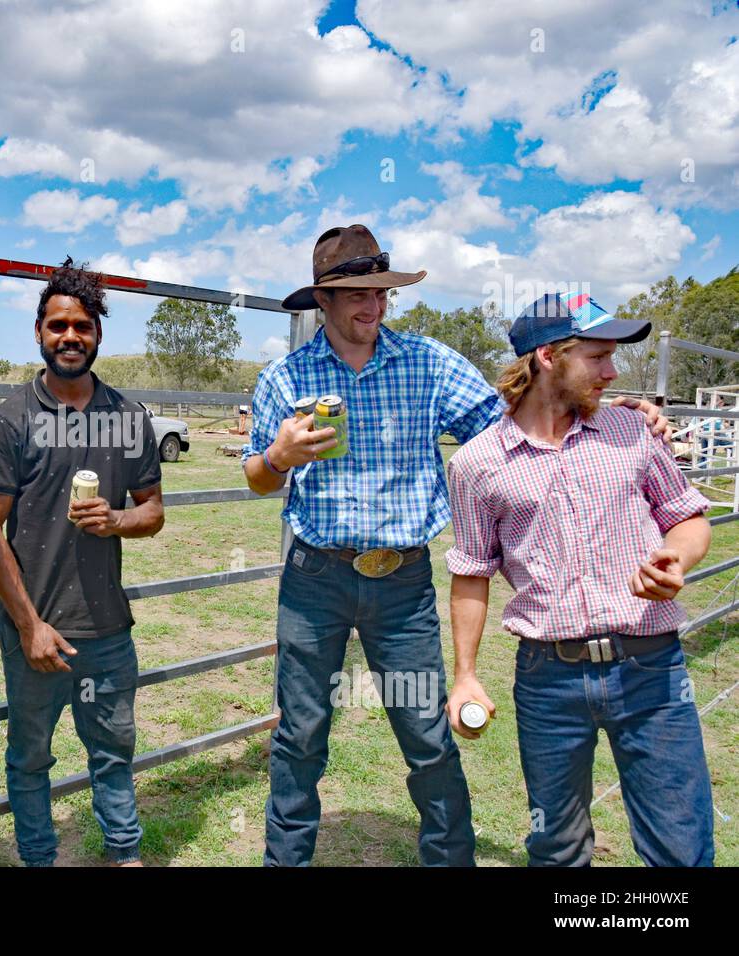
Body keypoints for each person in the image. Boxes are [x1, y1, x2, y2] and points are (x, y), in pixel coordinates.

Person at [243, 224, 670, 866]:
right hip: (314, 581)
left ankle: (450, 858)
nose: (373, 305)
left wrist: (606, 406)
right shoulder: (285, 375)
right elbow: (255, 478)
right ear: (323, 301)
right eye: (357, 292)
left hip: (403, 583)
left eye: (381, 291)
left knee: (427, 733)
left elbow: (514, 422)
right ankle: (286, 860)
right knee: (300, 733)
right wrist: (277, 454)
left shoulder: (429, 362)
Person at [445, 292, 714, 866]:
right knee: (557, 847)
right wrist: (465, 675)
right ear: (547, 355)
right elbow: (471, 573)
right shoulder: (476, 463)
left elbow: (687, 519)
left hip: (652, 669)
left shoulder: (632, 432)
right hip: (548, 680)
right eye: (596, 357)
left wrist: (676, 559)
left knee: (681, 844)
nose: (612, 372)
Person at [0, 257, 164, 866]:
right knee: (31, 758)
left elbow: (153, 512)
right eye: (57, 326)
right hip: (37, 631)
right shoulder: (10, 420)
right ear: (38, 332)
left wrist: (118, 520)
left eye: (82, 326)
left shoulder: (129, 420)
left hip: (107, 627)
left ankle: (125, 854)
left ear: (98, 335)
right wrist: (29, 624)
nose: (70, 337)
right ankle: (39, 857)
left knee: (113, 754)